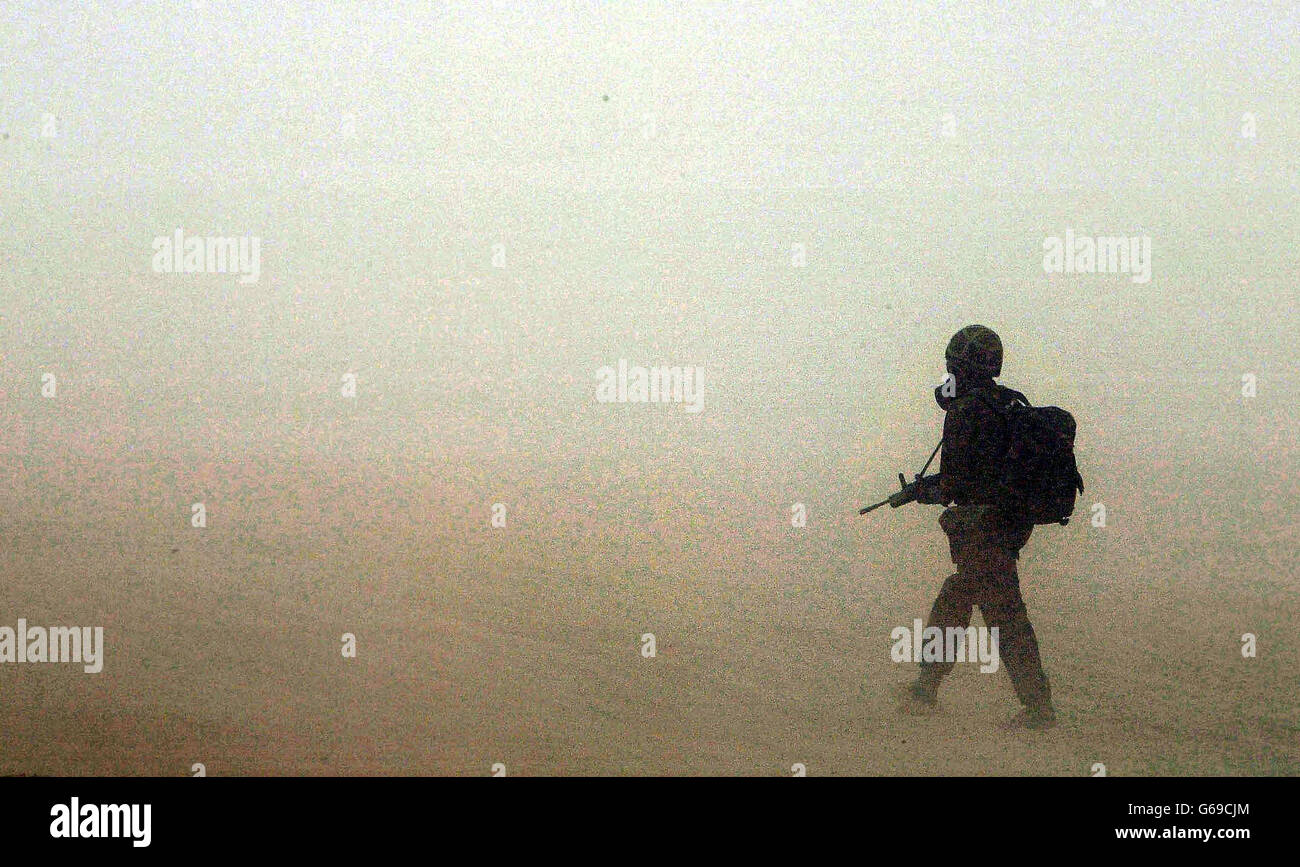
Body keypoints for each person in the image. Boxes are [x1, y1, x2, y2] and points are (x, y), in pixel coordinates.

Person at [903, 325, 1057, 729]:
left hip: (984, 530)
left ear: (963, 365)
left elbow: (954, 484)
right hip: (1006, 526)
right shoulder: (1005, 405)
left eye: (952, 364)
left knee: (1003, 615)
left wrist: (922, 492)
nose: (948, 373)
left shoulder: (968, 410)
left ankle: (1039, 708)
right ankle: (927, 686)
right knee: (960, 598)